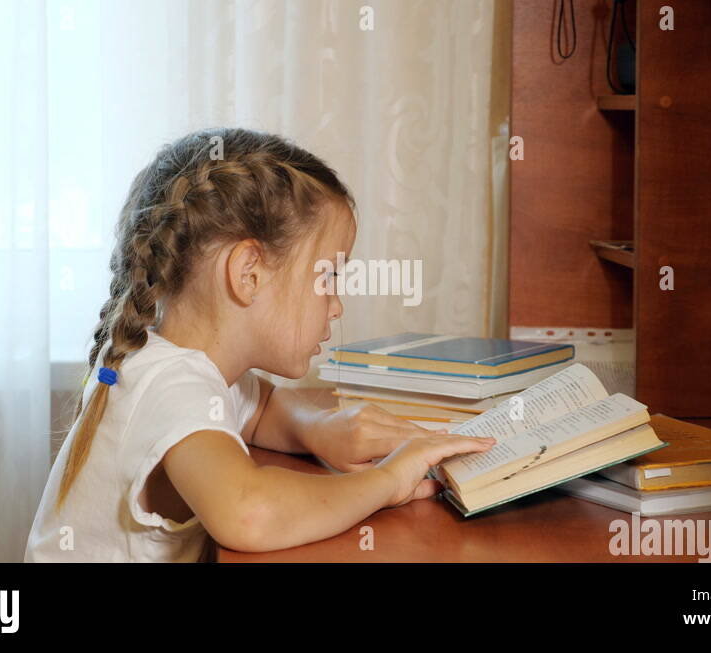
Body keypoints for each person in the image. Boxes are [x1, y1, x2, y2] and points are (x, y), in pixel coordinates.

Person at [24, 127, 494, 562]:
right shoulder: (170, 385)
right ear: (248, 273)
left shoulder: (178, 362)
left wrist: (321, 428)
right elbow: (249, 513)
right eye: (328, 277)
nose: (336, 306)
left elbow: (261, 408)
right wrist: (388, 479)